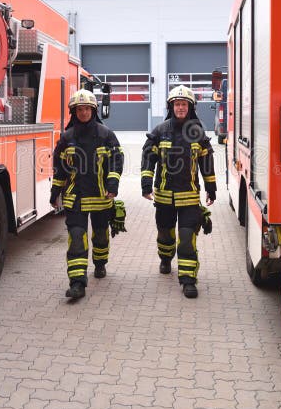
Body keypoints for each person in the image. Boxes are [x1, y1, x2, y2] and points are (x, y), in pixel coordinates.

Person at [141, 85, 216, 299]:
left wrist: (211, 189)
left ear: (190, 107)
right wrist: (146, 185)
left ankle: (188, 280)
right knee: (165, 233)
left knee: (186, 236)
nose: (180, 107)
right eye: (177, 104)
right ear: (171, 106)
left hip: (189, 196)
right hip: (164, 196)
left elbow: (207, 164)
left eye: (184, 104)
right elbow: (148, 159)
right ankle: (165, 258)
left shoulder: (197, 133)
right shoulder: (159, 131)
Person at [50, 89, 124, 300]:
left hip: (101, 197)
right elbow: (60, 168)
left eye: (87, 109)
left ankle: (100, 263)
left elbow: (116, 161)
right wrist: (55, 192)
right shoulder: (67, 138)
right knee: (76, 238)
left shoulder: (106, 134)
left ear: (94, 110)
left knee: (101, 235)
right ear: (74, 112)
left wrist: (113, 184)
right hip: (75, 198)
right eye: (79, 109)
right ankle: (77, 283)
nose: (83, 113)